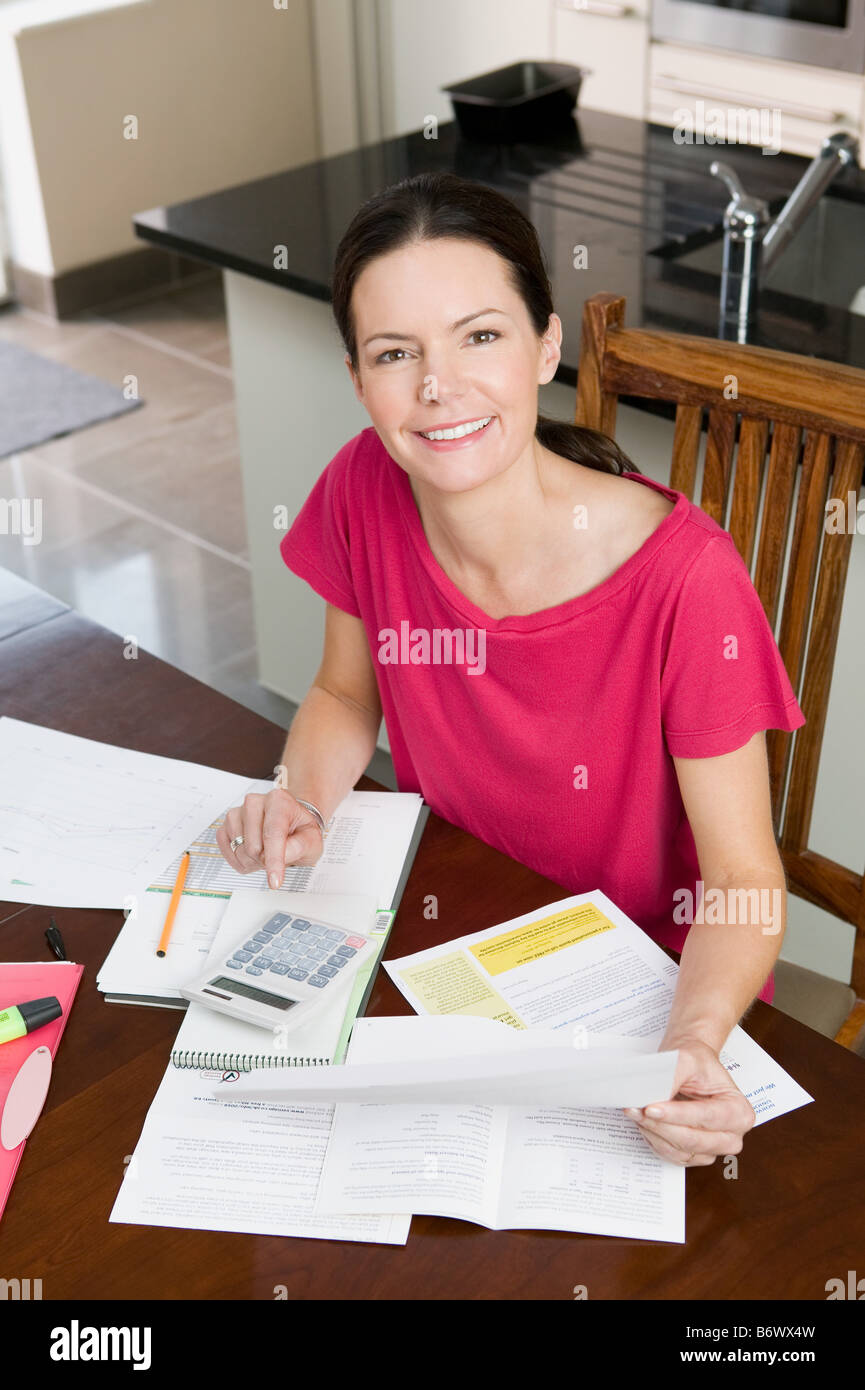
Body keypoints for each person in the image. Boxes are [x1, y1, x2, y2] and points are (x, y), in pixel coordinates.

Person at [216, 171, 805, 1168]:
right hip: (461, 938)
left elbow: (743, 877)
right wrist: (299, 797)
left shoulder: (685, 578)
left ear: (544, 346)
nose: (438, 386)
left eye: (479, 336)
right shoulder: (364, 484)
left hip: (644, 988)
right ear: (359, 380)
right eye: (395, 354)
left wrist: (692, 1041)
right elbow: (342, 691)